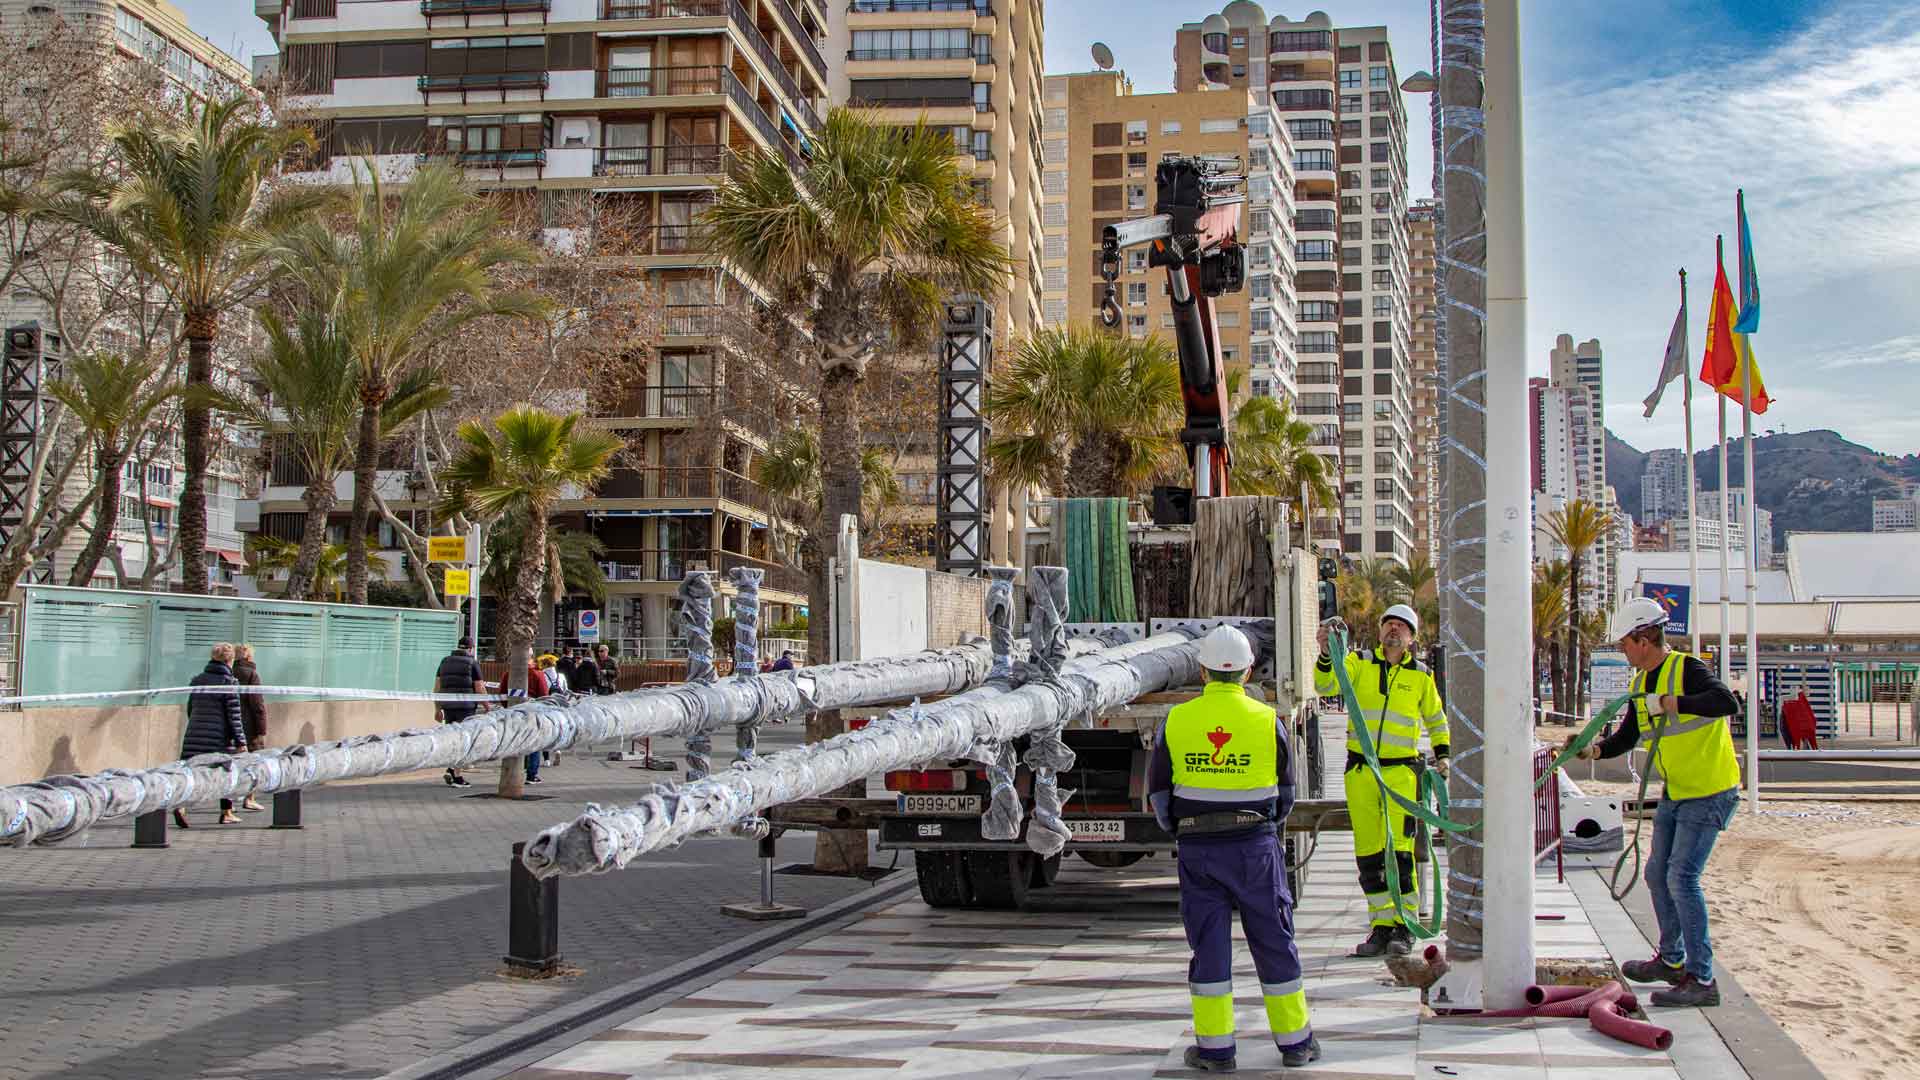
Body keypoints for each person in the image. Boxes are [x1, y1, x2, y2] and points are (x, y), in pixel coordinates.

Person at [1147, 625, 1319, 1072]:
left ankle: (1216, 1051)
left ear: (1202, 672)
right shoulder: (1268, 720)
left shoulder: (1177, 720)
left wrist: (1183, 830)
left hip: (1198, 849)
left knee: (1209, 947)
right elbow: (1286, 793)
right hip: (1254, 848)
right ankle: (1296, 1044)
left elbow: (1160, 793)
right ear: (1246, 674)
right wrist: (1264, 829)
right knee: (1274, 940)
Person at [1567, 597, 1741, 1008]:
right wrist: (1594, 751)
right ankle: (1672, 960)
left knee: (1682, 878)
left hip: (1710, 790)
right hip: (1677, 792)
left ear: (1644, 639)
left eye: (1625, 643)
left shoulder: (1687, 669)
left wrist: (1669, 702)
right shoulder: (1638, 684)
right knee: (1657, 874)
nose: (1623, 651)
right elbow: (1629, 735)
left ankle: (1703, 979)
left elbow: (1725, 702)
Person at [1314, 603, 1448, 958]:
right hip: (1361, 773)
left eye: (1401, 627)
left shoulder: (1421, 675)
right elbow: (1325, 683)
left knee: (1401, 854)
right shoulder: (1358, 664)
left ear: (1412, 639)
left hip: (1401, 775)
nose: (1394, 630)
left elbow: (1436, 718)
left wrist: (1444, 754)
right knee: (1369, 855)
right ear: (1380, 631)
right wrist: (1327, 653)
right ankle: (1381, 926)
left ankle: (1404, 927)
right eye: (1389, 624)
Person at [175, 643, 248, 828]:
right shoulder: (229, 683)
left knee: (191, 771)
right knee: (227, 773)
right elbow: (234, 715)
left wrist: (197, 726)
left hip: (195, 733)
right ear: (230, 660)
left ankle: (181, 805)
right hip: (219, 736)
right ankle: (226, 812)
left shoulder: (198, 680)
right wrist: (240, 741)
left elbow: (191, 708)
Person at [435, 637, 484, 788]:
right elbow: (479, 688)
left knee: (453, 739)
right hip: (466, 708)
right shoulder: (472, 663)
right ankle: (457, 776)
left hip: (448, 707)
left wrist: (437, 709)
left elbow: (436, 687)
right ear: (471, 649)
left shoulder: (444, 661)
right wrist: (487, 706)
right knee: (464, 741)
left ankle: (451, 769)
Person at [230, 643, 268, 812]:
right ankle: (249, 798)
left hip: (231, 725)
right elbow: (257, 705)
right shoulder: (252, 674)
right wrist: (261, 731)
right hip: (249, 726)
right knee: (253, 763)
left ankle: (229, 805)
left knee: (232, 763)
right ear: (248, 657)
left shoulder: (228, 673)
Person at [512, 646, 551, 784]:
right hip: (533, 713)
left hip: (514, 713)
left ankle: (516, 770)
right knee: (534, 743)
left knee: (517, 741)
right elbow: (544, 695)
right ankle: (531, 774)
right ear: (531, 656)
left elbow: (503, 691)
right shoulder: (537, 674)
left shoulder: (509, 672)